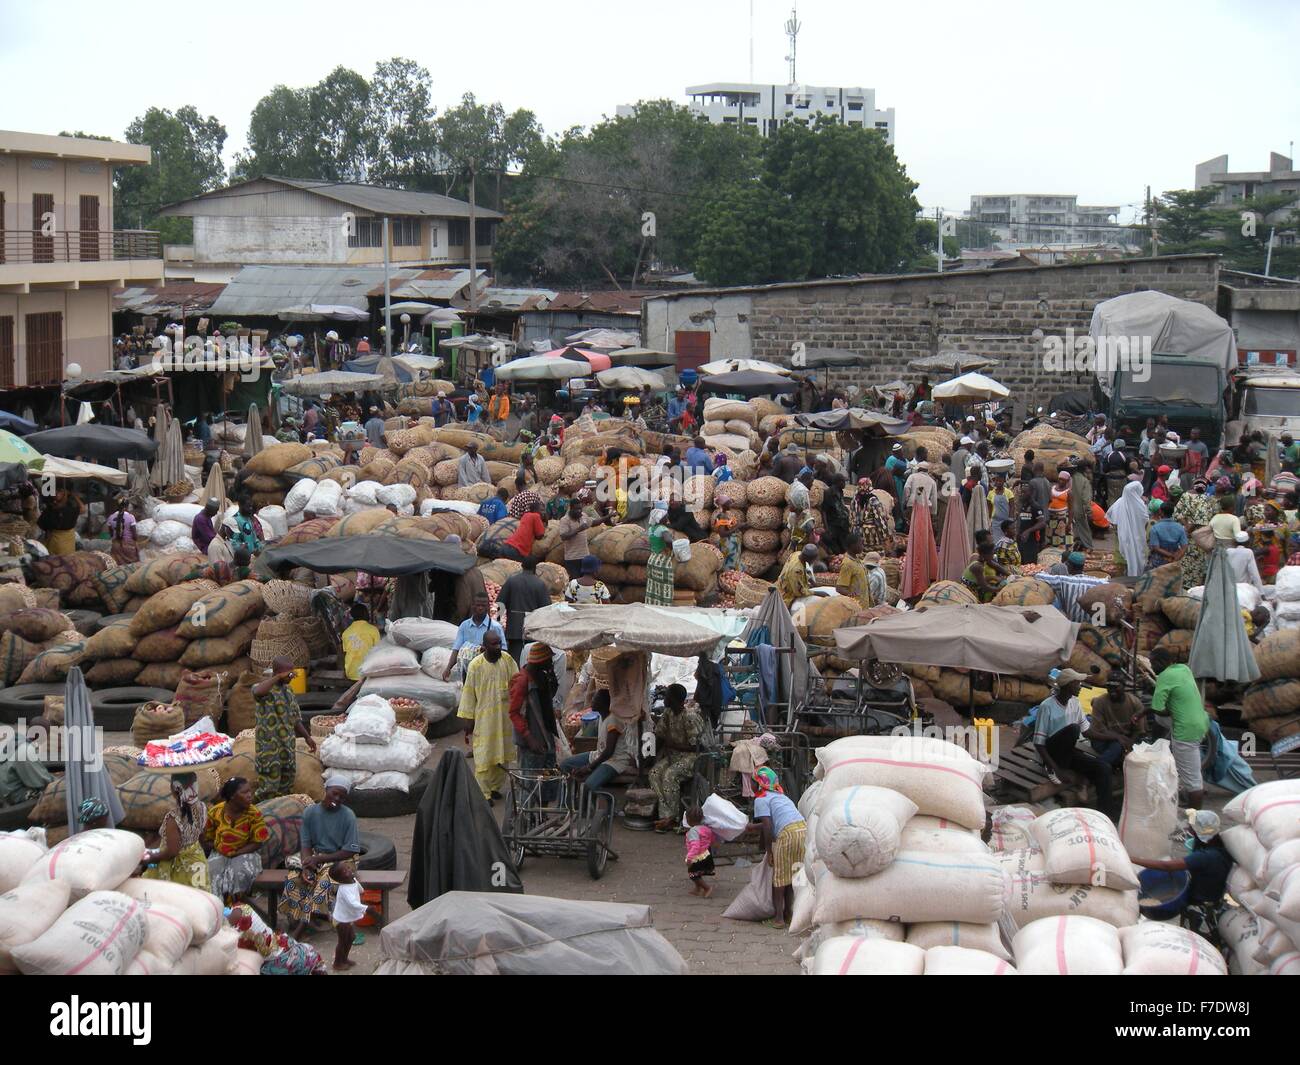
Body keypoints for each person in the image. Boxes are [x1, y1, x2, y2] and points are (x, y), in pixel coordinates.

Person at [1030, 668, 1116, 819]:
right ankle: (1055, 768)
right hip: (1051, 752)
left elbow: (1087, 731)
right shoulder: (1047, 706)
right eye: (1078, 684)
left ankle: (1105, 816)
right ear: (1068, 685)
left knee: (1103, 768)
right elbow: (1039, 743)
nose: (1080, 687)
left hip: (1067, 752)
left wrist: (1113, 737)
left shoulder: (1075, 703)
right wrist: (1056, 769)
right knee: (1072, 729)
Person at [281, 777, 362, 938]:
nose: (337, 799)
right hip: (317, 857)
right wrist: (306, 866)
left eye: (342, 797)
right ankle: (297, 919)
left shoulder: (348, 816)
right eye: (334, 794)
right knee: (294, 879)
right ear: (326, 790)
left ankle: (301, 928)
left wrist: (318, 860)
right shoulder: (310, 813)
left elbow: (349, 850)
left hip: (342, 860)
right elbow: (305, 844)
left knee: (324, 880)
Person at [1130, 810, 1233, 927]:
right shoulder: (1216, 845)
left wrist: (1131, 859)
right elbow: (1179, 835)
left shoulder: (1205, 857)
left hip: (1202, 903)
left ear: (1199, 832)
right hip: (1214, 896)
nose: (1189, 829)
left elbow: (1167, 866)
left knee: (1197, 935)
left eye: (1192, 828)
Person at [457, 630, 519, 802]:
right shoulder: (475, 665)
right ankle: (483, 794)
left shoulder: (507, 660)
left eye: (499, 643)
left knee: (502, 755)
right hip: (484, 720)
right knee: (484, 755)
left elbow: (516, 684)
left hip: (504, 719)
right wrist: (468, 720)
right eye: (494, 644)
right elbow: (469, 694)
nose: (498, 647)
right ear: (484, 646)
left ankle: (494, 787)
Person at [1149, 647, 1211, 808]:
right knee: (1191, 773)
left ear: (1160, 662)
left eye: (1152, 663)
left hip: (1185, 731)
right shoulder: (1183, 669)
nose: (1151, 667)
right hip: (1201, 722)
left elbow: (1157, 708)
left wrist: (1169, 710)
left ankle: (1195, 820)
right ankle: (1160, 746)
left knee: (1193, 782)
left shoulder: (1164, 676)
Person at [252, 656, 316, 803]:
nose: (292, 676)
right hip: (269, 749)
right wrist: (277, 677)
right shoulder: (265, 689)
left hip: (287, 747)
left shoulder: (288, 691)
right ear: (278, 673)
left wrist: (307, 737)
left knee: (286, 787)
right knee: (268, 788)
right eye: (289, 674)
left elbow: (295, 718)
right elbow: (256, 692)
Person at [749, 767, 807, 928]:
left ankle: (779, 918)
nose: (751, 785)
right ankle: (790, 913)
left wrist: (769, 850)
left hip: (787, 835)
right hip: (803, 830)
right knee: (793, 873)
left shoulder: (761, 799)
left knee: (780, 876)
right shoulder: (780, 796)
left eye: (753, 782)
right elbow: (778, 819)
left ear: (759, 785)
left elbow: (768, 825)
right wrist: (754, 827)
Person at [650, 684, 706, 832]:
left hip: (691, 758)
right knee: (654, 773)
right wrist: (649, 754)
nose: (665, 698)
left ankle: (674, 818)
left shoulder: (689, 717)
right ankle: (665, 815)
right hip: (674, 756)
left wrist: (674, 745)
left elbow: (697, 747)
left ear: (674, 699)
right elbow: (660, 734)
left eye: (667, 695)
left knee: (670, 775)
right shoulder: (668, 713)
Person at [205, 776, 270, 902]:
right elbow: (208, 837)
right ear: (232, 796)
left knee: (239, 872)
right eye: (244, 792)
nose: (250, 795)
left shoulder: (254, 813)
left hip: (246, 853)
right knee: (212, 872)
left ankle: (239, 911)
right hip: (220, 852)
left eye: (249, 791)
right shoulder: (215, 812)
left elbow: (258, 842)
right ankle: (217, 910)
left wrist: (236, 853)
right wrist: (220, 848)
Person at [140, 772, 209, 890]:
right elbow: (202, 835)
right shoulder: (202, 807)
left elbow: (172, 852)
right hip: (197, 861)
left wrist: (149, 857)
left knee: (177, 901)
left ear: (173, 790)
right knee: (199, 899)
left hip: (179, 869)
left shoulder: (173, 818)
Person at [509, 642, 559, 774]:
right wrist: (529, 738)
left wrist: (551, 674)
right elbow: (514, 713)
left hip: (545, 737)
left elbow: (547, 698)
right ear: (541, 661)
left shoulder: (540, 676)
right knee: (531, 785)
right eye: (549, 660)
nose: (551, 662)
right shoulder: (522, 681)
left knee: (549, 780)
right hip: (532, 741)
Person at [499, 557, 551, 664]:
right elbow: (546, 609)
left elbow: (500, 604)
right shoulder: (540, 584)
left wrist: (498, 622)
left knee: (514, 661)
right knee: (531, 661)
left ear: (522, 566)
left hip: (514, 629)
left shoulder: (511, 581)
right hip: (533, 630)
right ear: (535, 568)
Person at [1086, 677, 1147, 770]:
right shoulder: (1099, 702)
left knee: (1117, 748)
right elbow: (1099, 731)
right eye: (1109, 686)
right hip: (1102, 739)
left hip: (1124, 740)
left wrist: (1129, 745)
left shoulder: (1135, 703)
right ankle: (1097, 769)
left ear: (1124, 686)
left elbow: (1138, 731)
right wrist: (1118, 737)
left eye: (1116, 686)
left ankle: (1099, 767)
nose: (1111, 690)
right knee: (1116, 748)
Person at [442, 594, 506, 680]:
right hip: (468, 673)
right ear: (472, 606)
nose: (480, 608)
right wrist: (448, 668)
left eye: (483, 605)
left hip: (487, 672)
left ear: (488, 607)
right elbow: (456, 649)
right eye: (478, 605)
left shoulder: (495, 627)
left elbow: (504, 650)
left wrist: (490, 650)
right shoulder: (464, 626)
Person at [900, 461, 939, 598]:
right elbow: (934, 500)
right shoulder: (931, 481)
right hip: (926, 508)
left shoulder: (913, 477)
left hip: (914, 505)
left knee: (913, 529)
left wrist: (906, 502)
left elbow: (906, 489)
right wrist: (933, 515)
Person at [329, 860, 373, 971]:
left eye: (348, 868)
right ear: (340, 879)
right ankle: (337, 963)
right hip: (341, 919)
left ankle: (344, 959)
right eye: (345, 871)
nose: (349, 870)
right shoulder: (344, 889)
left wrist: (361, 890)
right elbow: (352, 904)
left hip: (347, 918)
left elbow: (359, 889)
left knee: (351, 938)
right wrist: (366, 908)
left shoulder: (352, 880)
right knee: (343, 940)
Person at [1106, 479, 1149, 576]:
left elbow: (1112, 519)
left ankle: (1123, 578)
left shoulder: (1119, 502)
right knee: (1137, 555)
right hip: (1138, 536)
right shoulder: (1141, 505)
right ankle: (1136, 577)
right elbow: (1145, 520)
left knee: (1124, 557)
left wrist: (1121, 530)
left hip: (1122, 536)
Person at [558, 497, 607, 579]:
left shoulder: (583, 516)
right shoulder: (565, 520)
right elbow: (563, 536)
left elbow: (594, 523)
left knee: (586, 580)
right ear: (571, 508)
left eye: (580, 509)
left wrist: (608, 516)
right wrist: (578, 529)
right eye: (577, 509)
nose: (579, 511)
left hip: (584, 556)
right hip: (572, 558)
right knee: (575, 581)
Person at [340, 602, 381, 682]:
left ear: (352, 616)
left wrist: (345, 671)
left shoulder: (346, 632)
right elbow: (378, 652)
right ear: (365, 614)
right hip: (368, 672)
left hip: (351, 673)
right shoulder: (373, 630)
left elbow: (345, 653)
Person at [644, 522, 681, 607]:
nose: (667, 517)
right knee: (665, 588)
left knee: (653, 587)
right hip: (663, 562)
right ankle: (665, 607)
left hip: (652, 559)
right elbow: (668, 540)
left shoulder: (650, 529)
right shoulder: (662, 529)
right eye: (665, 514)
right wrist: (673, 549)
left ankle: (652, 607)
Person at [684, 806, 717, 898]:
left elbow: (695, 846)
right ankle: (697, 889)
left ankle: (707, 888)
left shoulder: (693, 831)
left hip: (697, 856)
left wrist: (689, 858)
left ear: (688, 819)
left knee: (693, 874)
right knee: (698, 872)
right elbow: (712, 839)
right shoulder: (706, 828)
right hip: (706, 854)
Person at [38, 488, 82, 555]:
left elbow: (41, 523)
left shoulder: (68, 508)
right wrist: (73, 496)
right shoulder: (53, 508)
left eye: (59, 492)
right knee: (65, 560)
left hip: (63, 539)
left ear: (64, 495)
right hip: (58, 539)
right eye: (56, 492)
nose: (56, 493)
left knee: (59, 560)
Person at [836, 533, 875, 609]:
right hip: (855, 607)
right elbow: (840, 587)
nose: (862, 546)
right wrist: (851, 595)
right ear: (852, 545)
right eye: (860, 544)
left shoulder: (857, 560)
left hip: (864, 606)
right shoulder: (847, 564)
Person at [850, 477, 889, 551]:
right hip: (870, 534)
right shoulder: (873, 500)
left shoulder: (855, 499)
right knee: (873, 556)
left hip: (856, 532)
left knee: (860, 555)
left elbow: (851, 517)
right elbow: (879, 519)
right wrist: (885, 535)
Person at [1148, 500, 1188, 568]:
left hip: (1158, 562)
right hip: (1173, 561)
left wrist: (1170, 555)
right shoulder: (1180, 527)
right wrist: (1176, 558)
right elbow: (1184, 546)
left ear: (1161, 512)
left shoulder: (1155, 528)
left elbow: (1156, 547)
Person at [778, 543, 818, 607]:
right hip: (786, 595)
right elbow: (799, 592)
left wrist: (812, 582)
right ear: (809, 558)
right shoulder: (795, 570)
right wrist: (817, 593)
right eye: (814, 559)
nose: (814, 561)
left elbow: (802, 572)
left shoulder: (797, 554)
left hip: (784, 583)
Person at [106, 496, 139, 564]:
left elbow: (111, 534)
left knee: (119, 566)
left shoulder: (110, 517)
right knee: (133, 567)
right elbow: (135, 536)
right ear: (127, 506)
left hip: (116, 547)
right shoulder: (131, 517)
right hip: (129, 547)